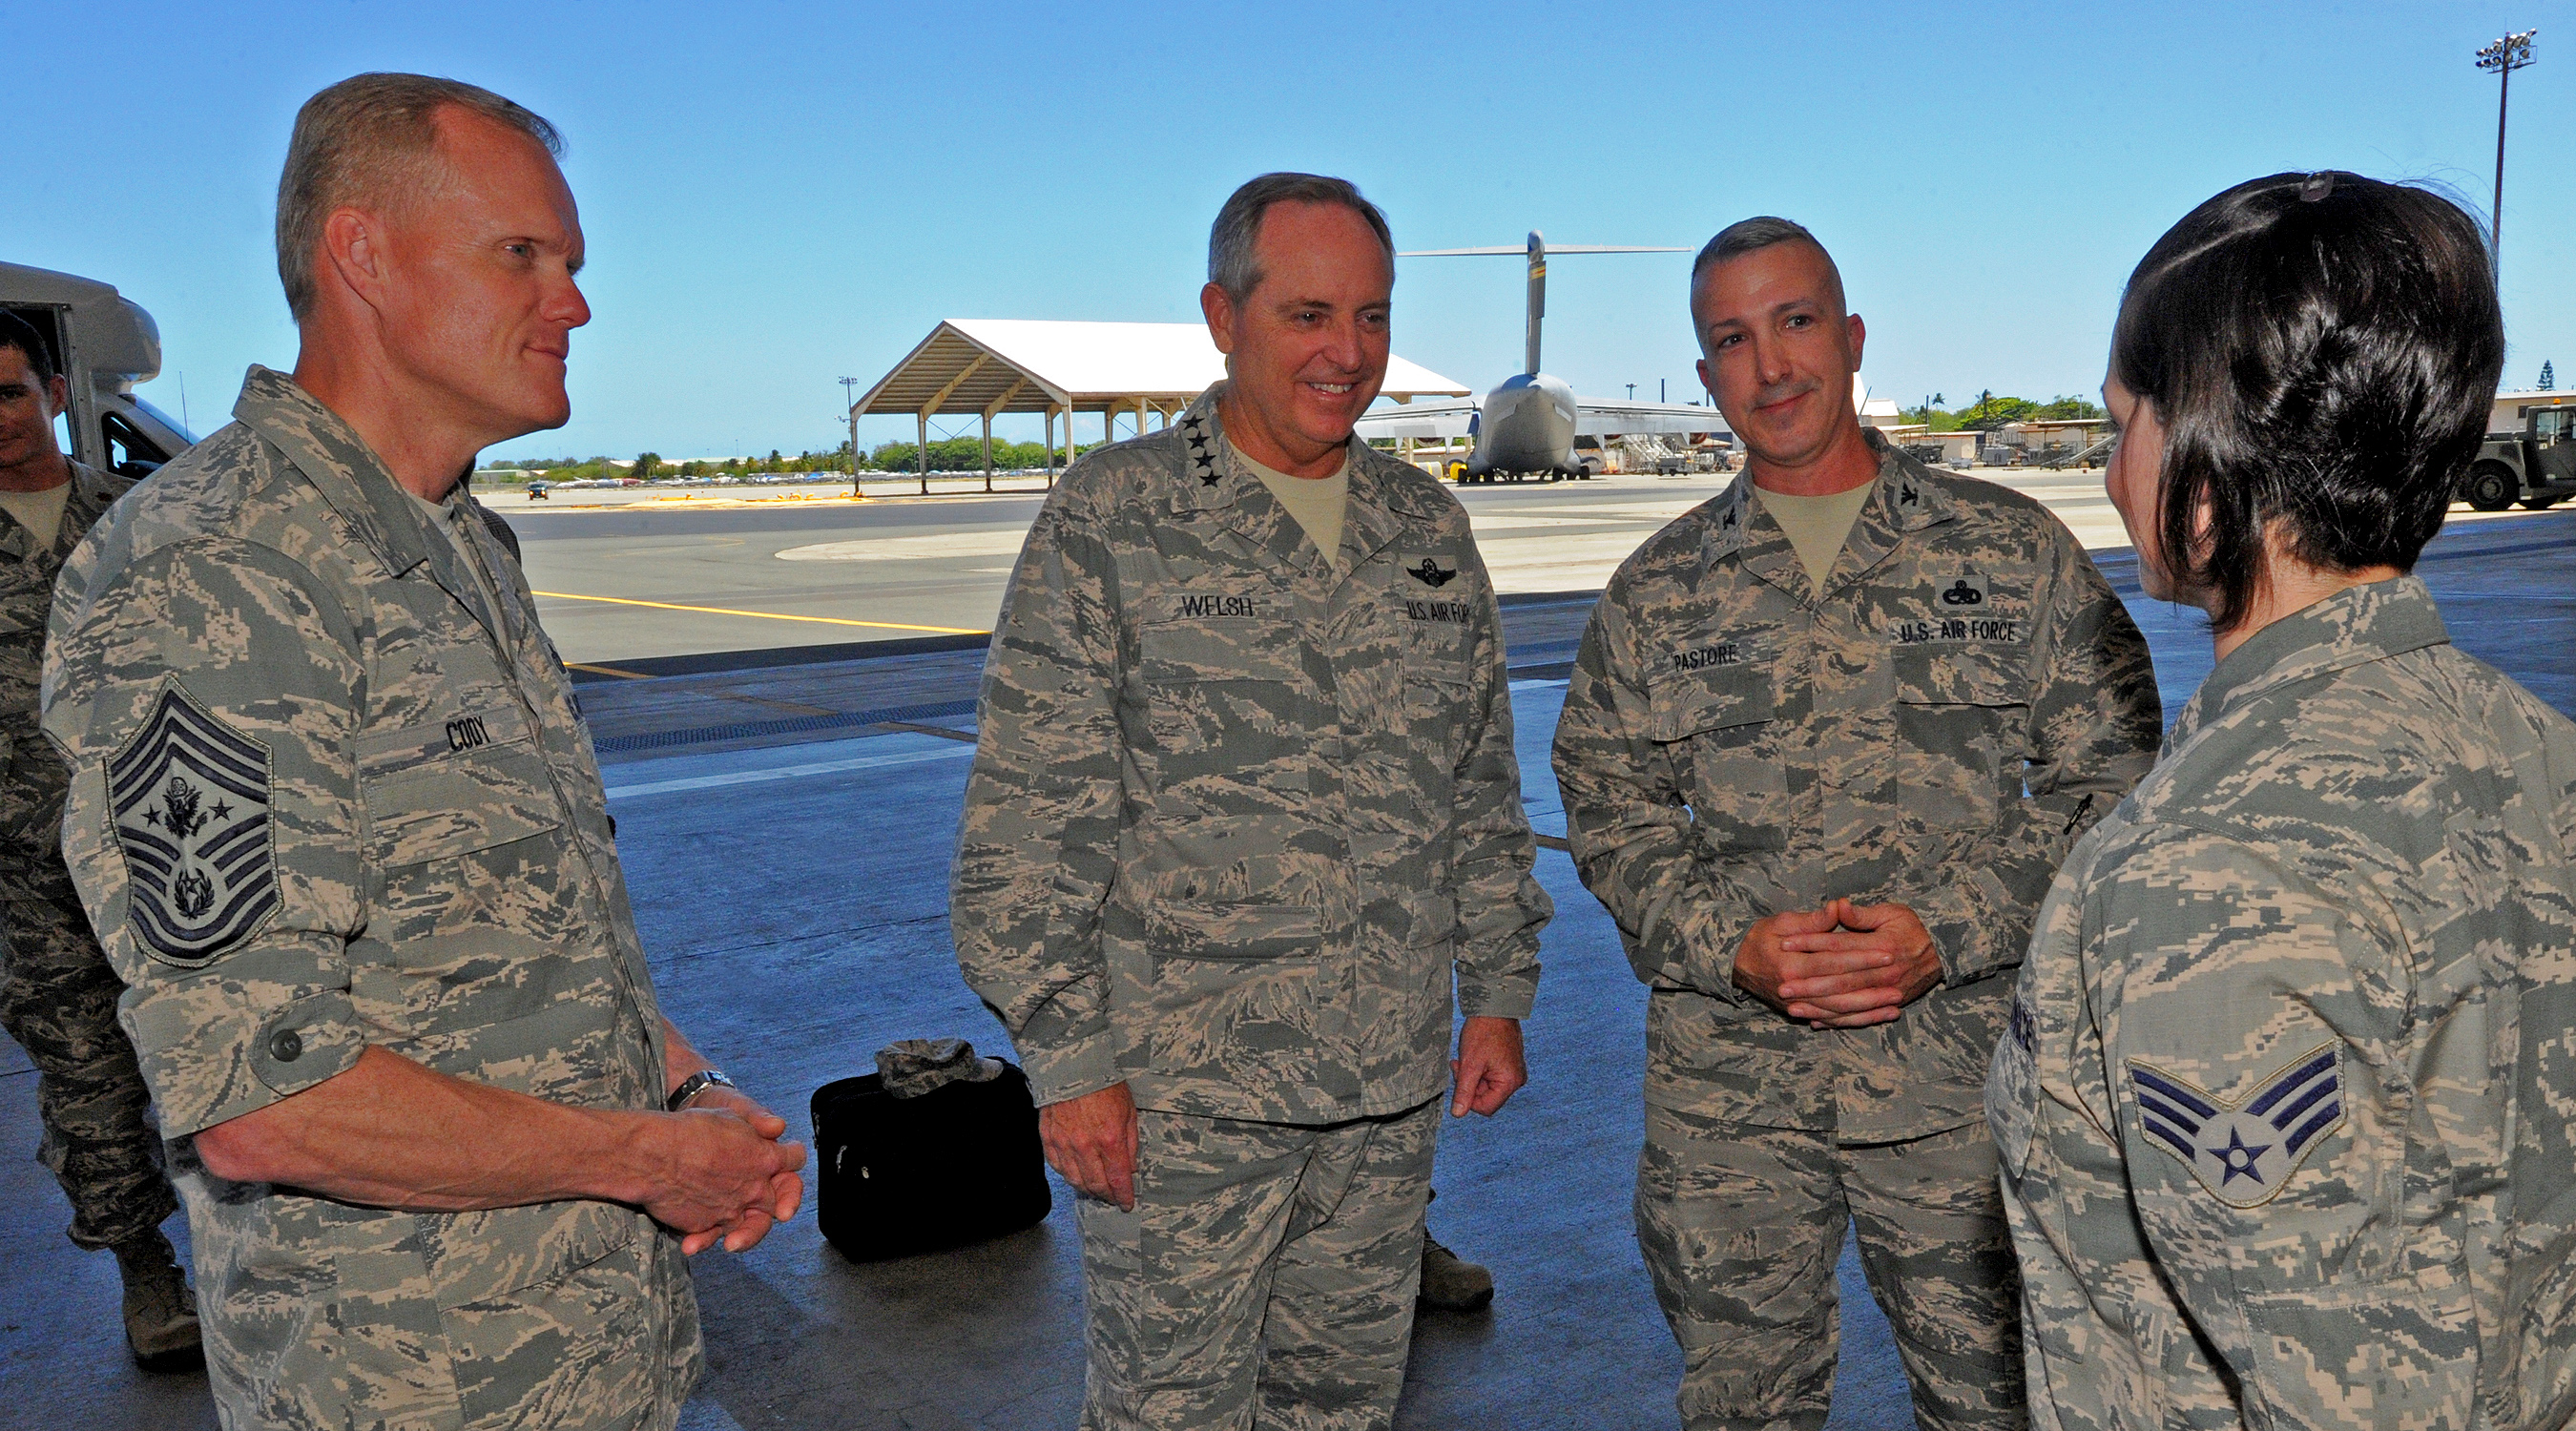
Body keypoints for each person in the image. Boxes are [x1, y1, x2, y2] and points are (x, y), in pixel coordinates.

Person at [39, 73, 804, 1430]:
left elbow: (520, 935)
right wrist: (650, 1159)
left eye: (571, 264)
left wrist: (691, 1090)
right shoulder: (216, 577)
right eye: (524, 255)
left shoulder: (459, 546)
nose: (572, 303)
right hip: (414, 1379)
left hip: (592, 1348)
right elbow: (271, 1102)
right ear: (362, 256)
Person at [951, 171, 1551, 1428]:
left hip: (1384, 1099)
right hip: (1185, 1106)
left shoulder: (1426, 528)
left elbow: (1480, 790)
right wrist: (1067, 1064)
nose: (1349, 353)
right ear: (1224, 317)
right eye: (1309, 315)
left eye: (1374, 318)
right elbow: (1025, 831)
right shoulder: (1114, 520)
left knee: (1340, 1409)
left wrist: (1497, 992)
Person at [1550, 217, 2161, 1431]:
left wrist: (1950, 928)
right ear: (1705, 371)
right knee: (1742, 1407)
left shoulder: (2011, 552)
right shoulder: (1658, 588)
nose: (1770, 367)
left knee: (1999, 1400)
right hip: (1731, 1104)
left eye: (1795, 323)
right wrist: (1732, 941)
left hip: (1964, 1088)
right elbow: (1608, 804)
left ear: (1853, 336)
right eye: (1732, 339)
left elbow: (2122, 785)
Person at [1989, 171, 2576, 1431]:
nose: (2107, 474)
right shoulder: (2540, 754)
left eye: (2123, 425)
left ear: (2204, 465)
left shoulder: (2203, 862)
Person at [0, 310, 200, 1369]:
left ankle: (245, 1248)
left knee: (218, 1048)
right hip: (28, 879)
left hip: (169, 853)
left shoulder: (139, 518)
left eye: (8, 393)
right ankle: (146, 1277)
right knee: (88, 1079)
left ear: (55, 395)